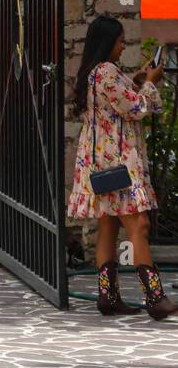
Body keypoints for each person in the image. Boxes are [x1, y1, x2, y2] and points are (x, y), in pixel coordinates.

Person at [67, 16, 175, 320]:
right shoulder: (106, 72)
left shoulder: (96, 73)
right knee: (138, 226)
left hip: (101, 164)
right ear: (107, 42)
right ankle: (155, 298)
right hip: (118, 165)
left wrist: (138, 81)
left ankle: (108, 296)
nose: (122, 45)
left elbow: (122, 101)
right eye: (119, 40)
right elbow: (137, 108)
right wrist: (151, 84)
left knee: (108, 226)